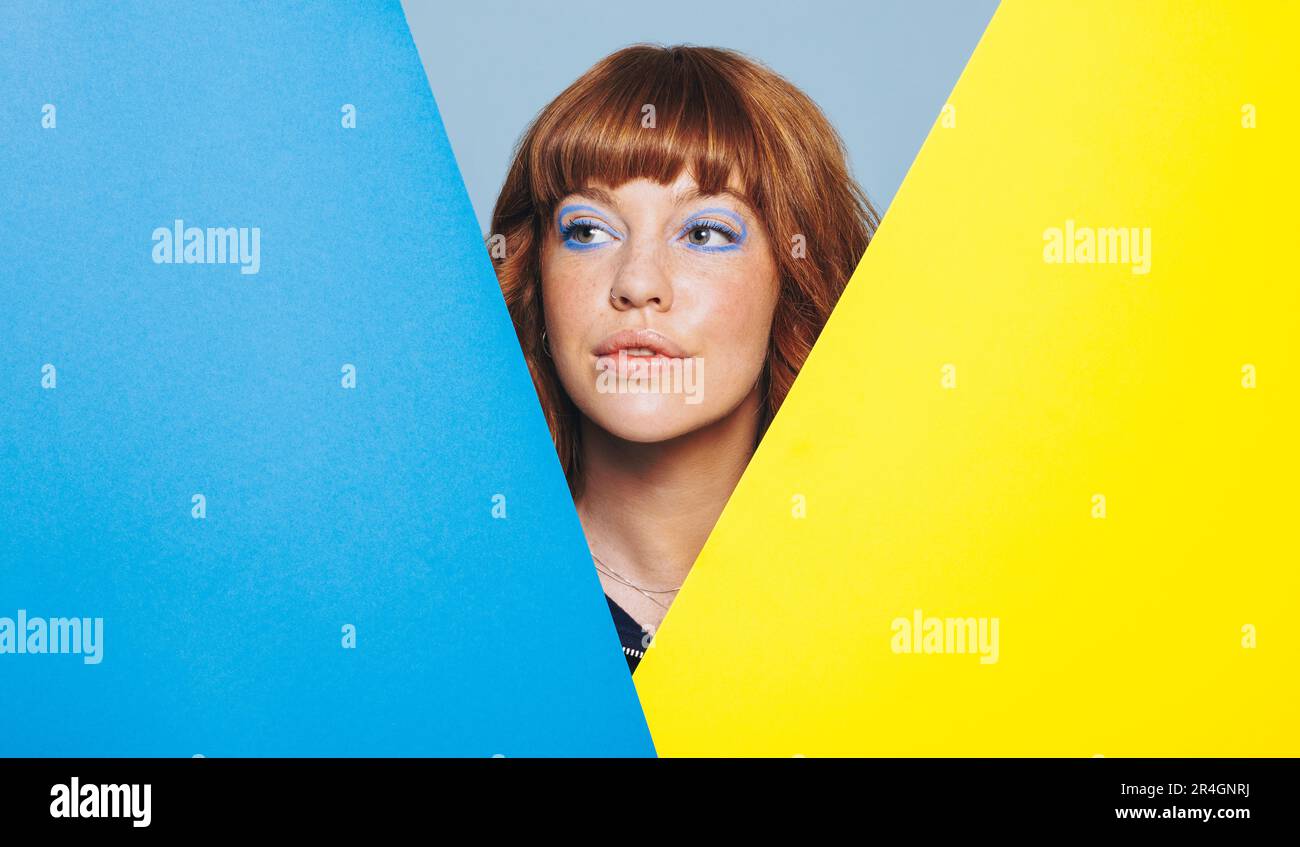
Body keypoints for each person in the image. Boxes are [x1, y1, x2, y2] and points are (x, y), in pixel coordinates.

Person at [489, 44, 877, 671]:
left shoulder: (897, 610)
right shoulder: (442, 604)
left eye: (704, 233)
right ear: (537, 277)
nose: (638, 283)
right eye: (587, 230)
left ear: (793, 280)